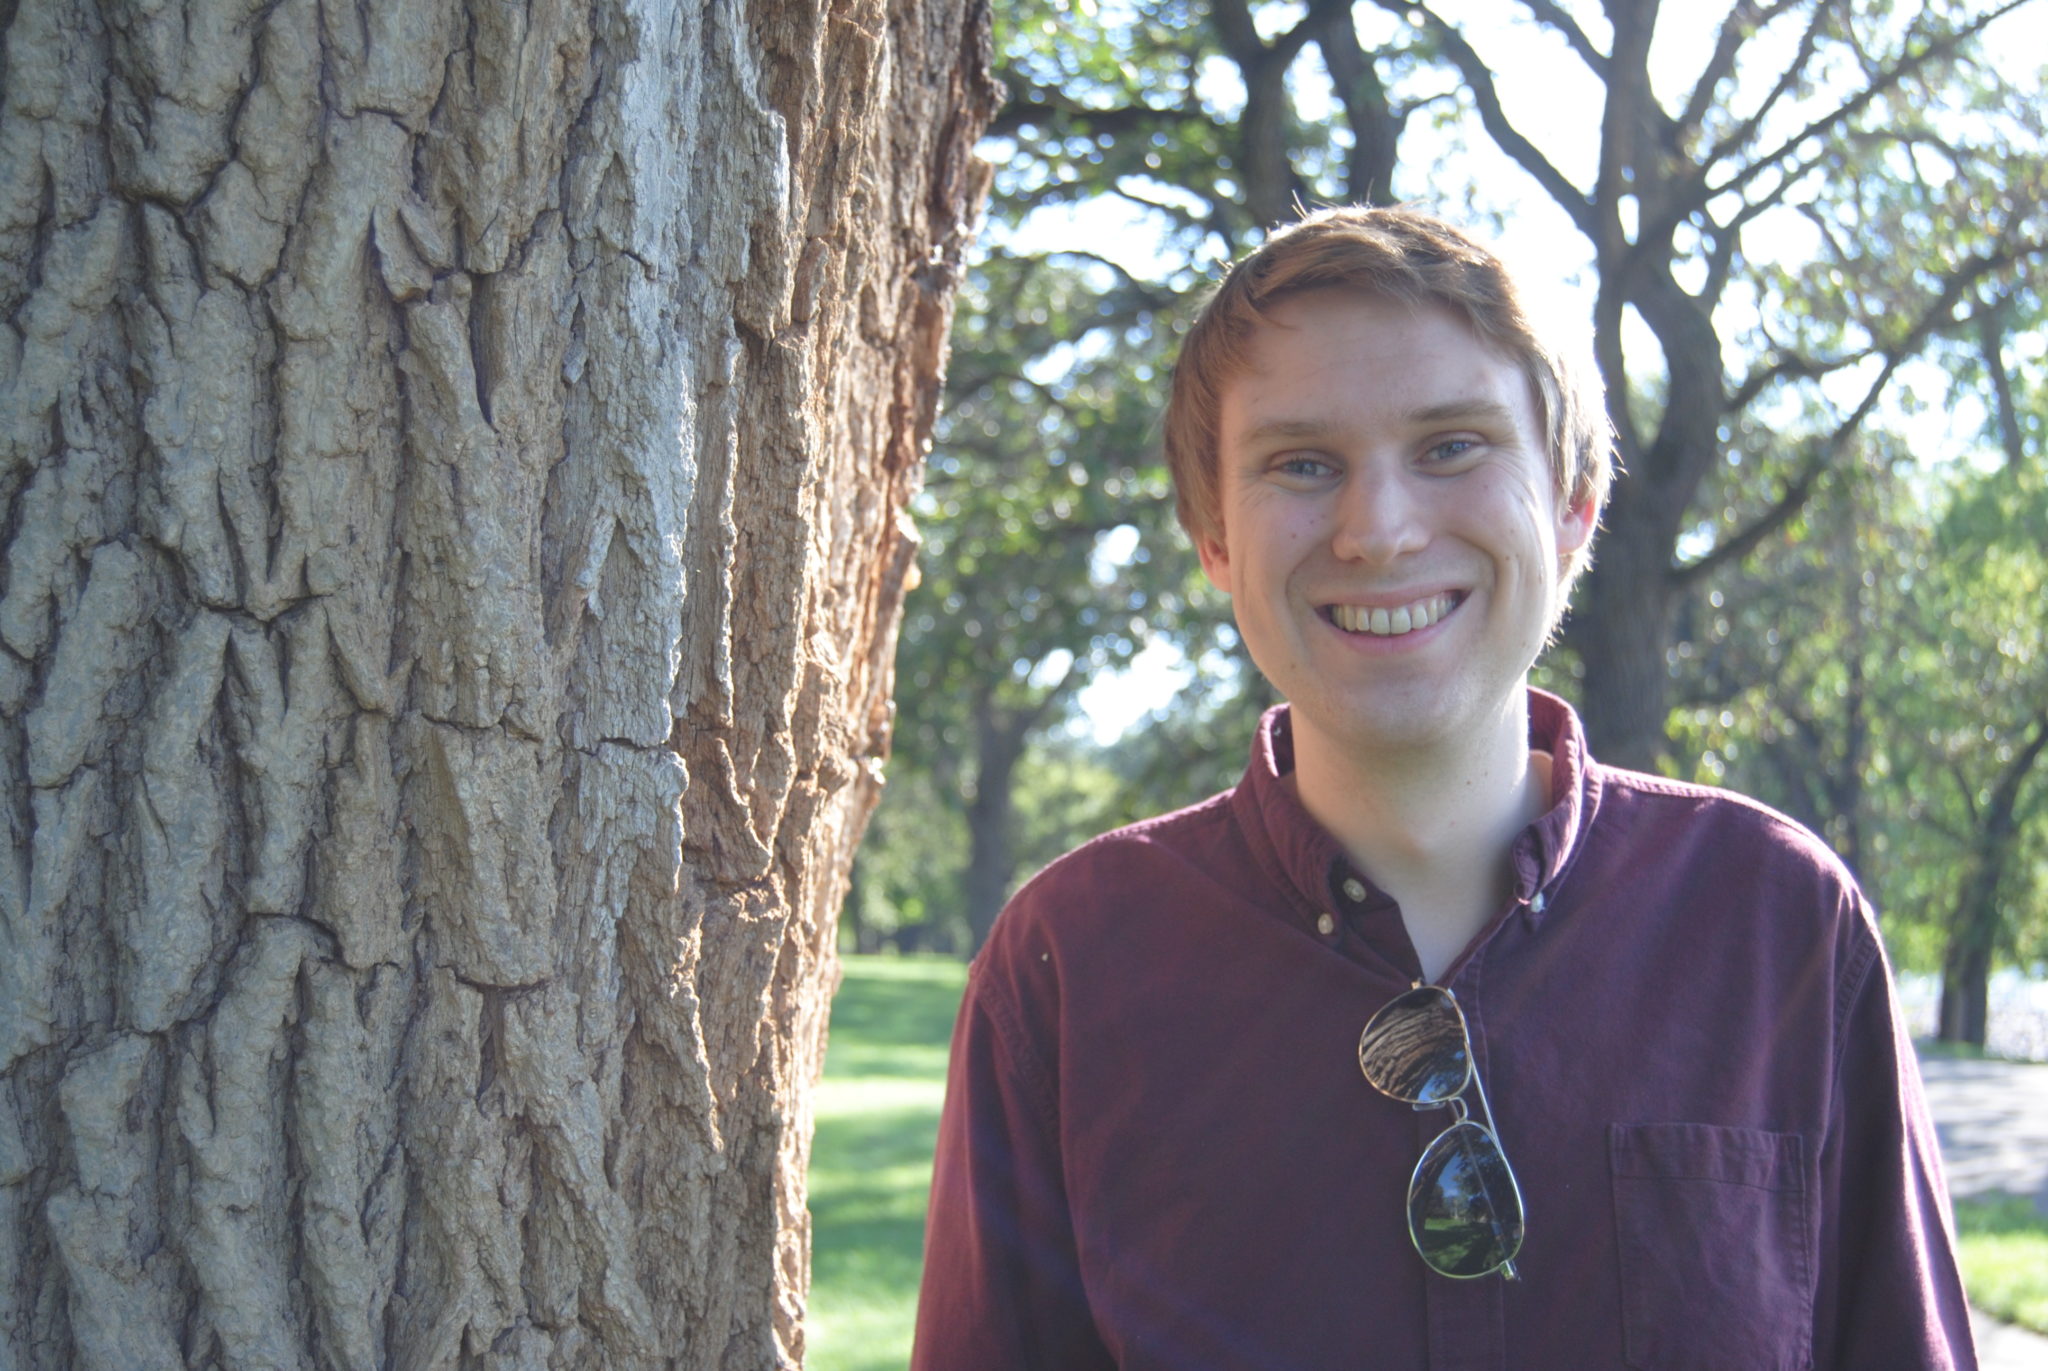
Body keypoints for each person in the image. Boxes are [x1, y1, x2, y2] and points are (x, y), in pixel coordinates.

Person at [908, 205, 1975, 1370]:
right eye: (1301, 464)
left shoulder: (1776, 925)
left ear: (1573, 502)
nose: (1379, 530)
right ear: (1212, 536)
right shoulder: (1070, 966)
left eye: (1452, 446)